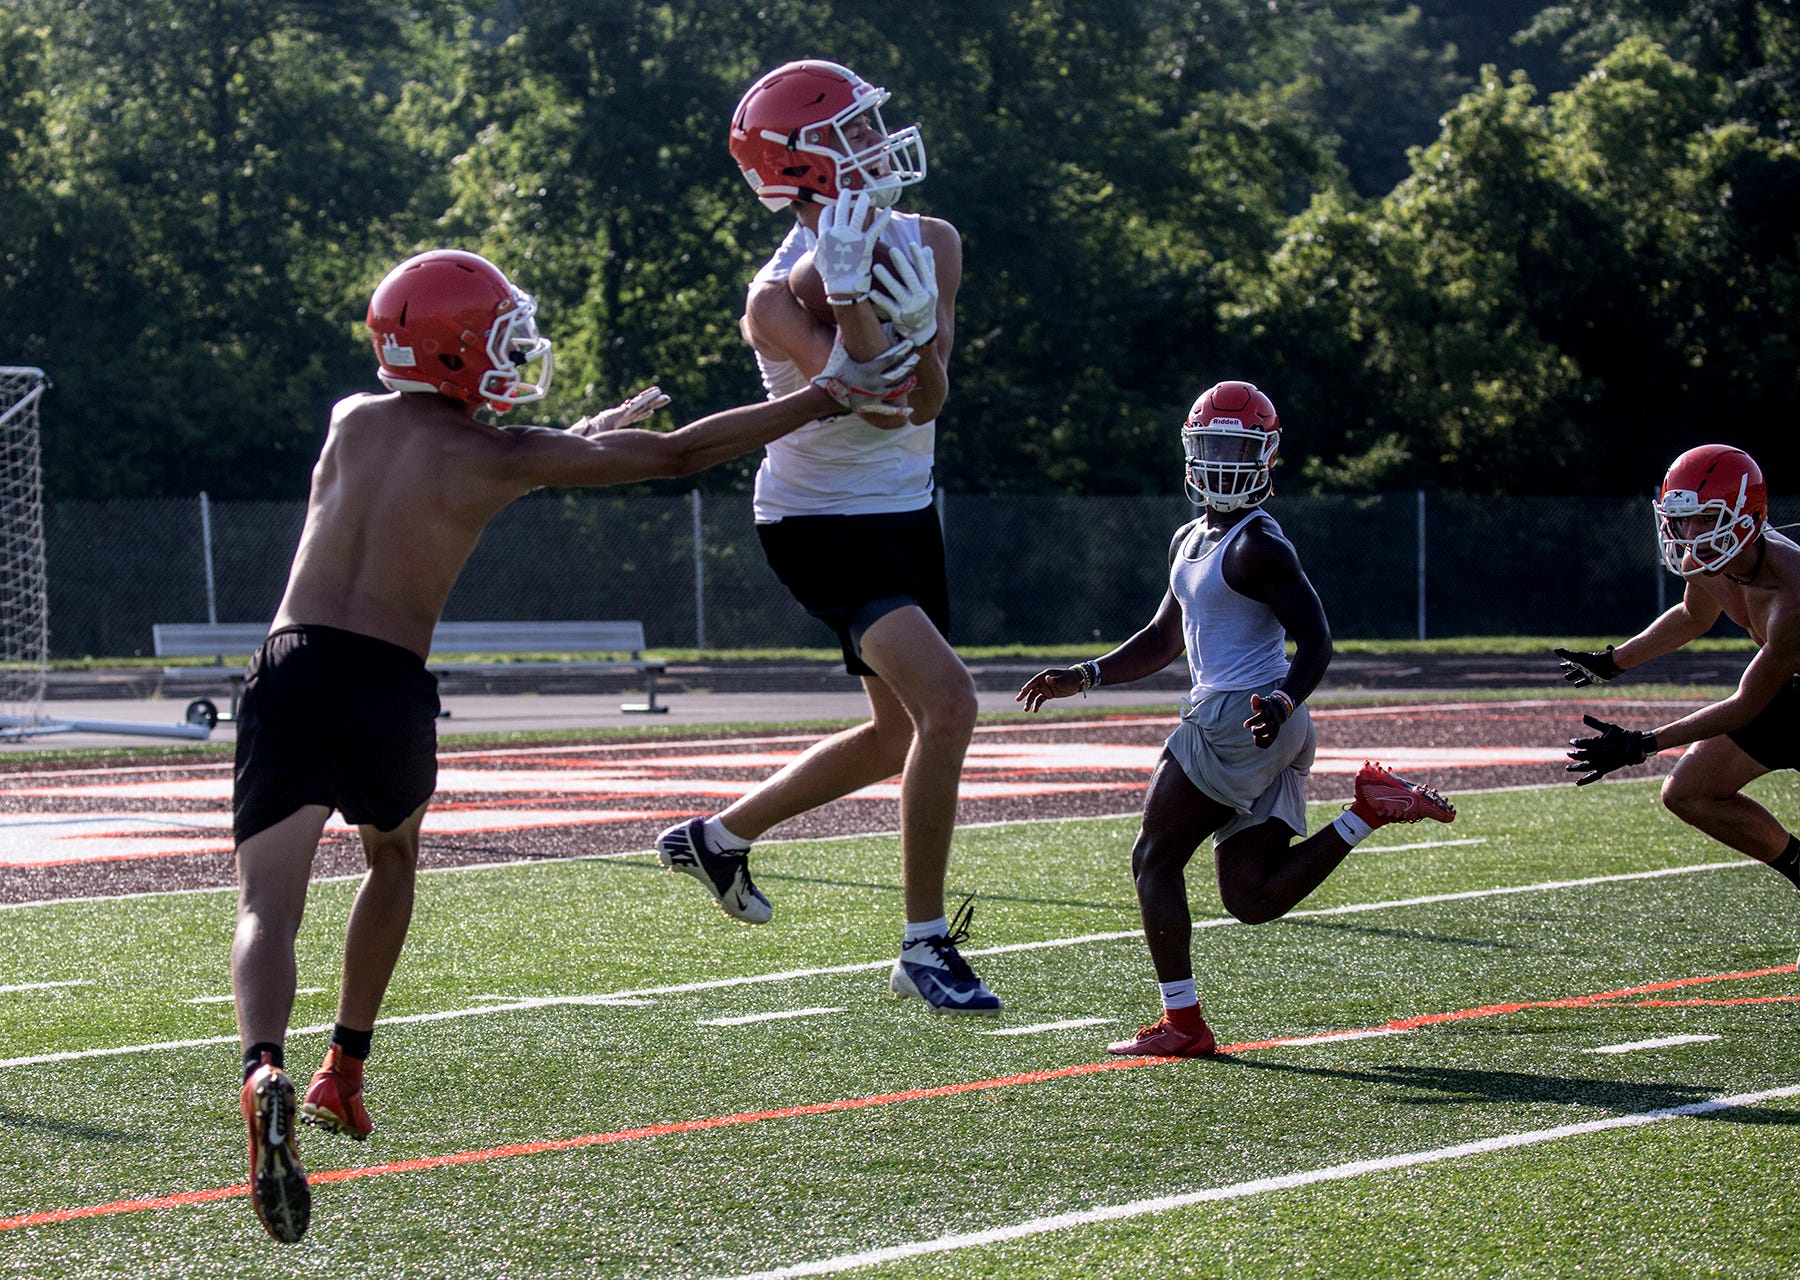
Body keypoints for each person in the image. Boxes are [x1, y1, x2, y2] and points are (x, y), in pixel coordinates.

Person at [233, 246, 916, 1243]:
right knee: (391, 853)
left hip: (291, 664)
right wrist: (823, 396)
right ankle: (344, 1067)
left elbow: (429, 473)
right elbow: (680, 452)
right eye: (500, 338)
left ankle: (263, 1065)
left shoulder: (351, 419)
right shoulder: (502, 455)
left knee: (267, 904)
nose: (516, 354)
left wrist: (567, 438)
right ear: (458, 348)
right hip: (386, 681)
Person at [654, 60, 999, 1016]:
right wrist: (849, 302)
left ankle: (715, 839)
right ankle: (924, 945)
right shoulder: (774, 299)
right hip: (816, 523)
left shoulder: (933, 239)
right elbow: (878, 408)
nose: (871, 146)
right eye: (845, 136)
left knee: (898, 734)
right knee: (951, 704)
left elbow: (928, 399)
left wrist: (916, 322)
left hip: (905, 510)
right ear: (799, 169)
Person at [1016, 381, 1457, 1057]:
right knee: (1250, 898)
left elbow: (1318, 639)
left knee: (1152, 859)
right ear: (1193, 451)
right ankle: (1366, 811)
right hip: (1262, 722)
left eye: (1236, 445)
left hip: (1240, 715)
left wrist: (1282, 701)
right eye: (1212, 444)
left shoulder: (1259, 546)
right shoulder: (1190, 537)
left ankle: (1183, 1026)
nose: (1222, 458)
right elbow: (1164, 639)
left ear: (1267, 455)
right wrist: (1087, 675)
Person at [1559, 443, 1800, 903]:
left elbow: (1746, 705)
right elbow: (1693, 617)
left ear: (1746, 516)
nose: (1689, 533)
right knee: (1689, 792)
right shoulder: (1712, 556)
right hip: (1789, 692)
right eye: (1682, 518)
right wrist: (1614, 661)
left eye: (1705, 518)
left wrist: (1643, 744)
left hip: (1777, 691)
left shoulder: (1794, 595)